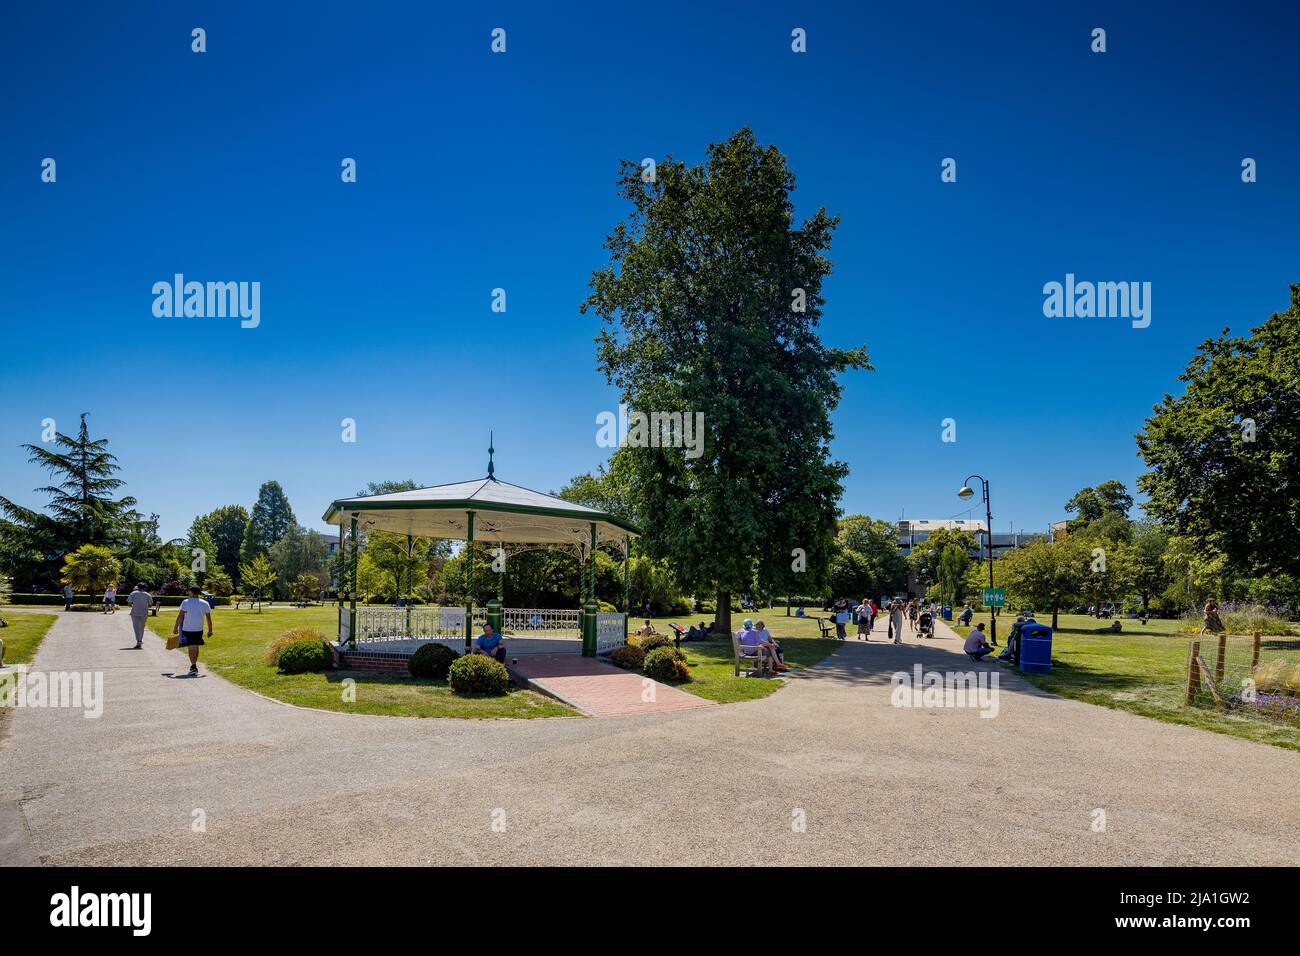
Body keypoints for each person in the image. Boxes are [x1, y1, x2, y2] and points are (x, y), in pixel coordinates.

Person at [172, 585, 213, 677]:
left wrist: (175, 627)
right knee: (195, 646)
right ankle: (194, 665)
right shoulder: (204, 603)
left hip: (188, 628)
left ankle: (193, 666)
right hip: (199, 628)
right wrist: (210, 630)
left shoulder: (186, 602)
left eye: (189, 591)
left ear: (191, 592)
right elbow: (208, 618)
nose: (188, 592)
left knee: (191, 646)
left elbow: (180, 616)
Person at [127, 583, 153, 649]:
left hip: (135, 612)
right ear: (145, 587)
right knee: (142, 627)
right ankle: (140, 640)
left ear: (138, 587)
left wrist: (134, 606)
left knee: (136, 627)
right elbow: (150, 605)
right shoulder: (148, 594)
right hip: (144, 613)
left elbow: (129, 604)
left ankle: (139, 641)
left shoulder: (133, 593)